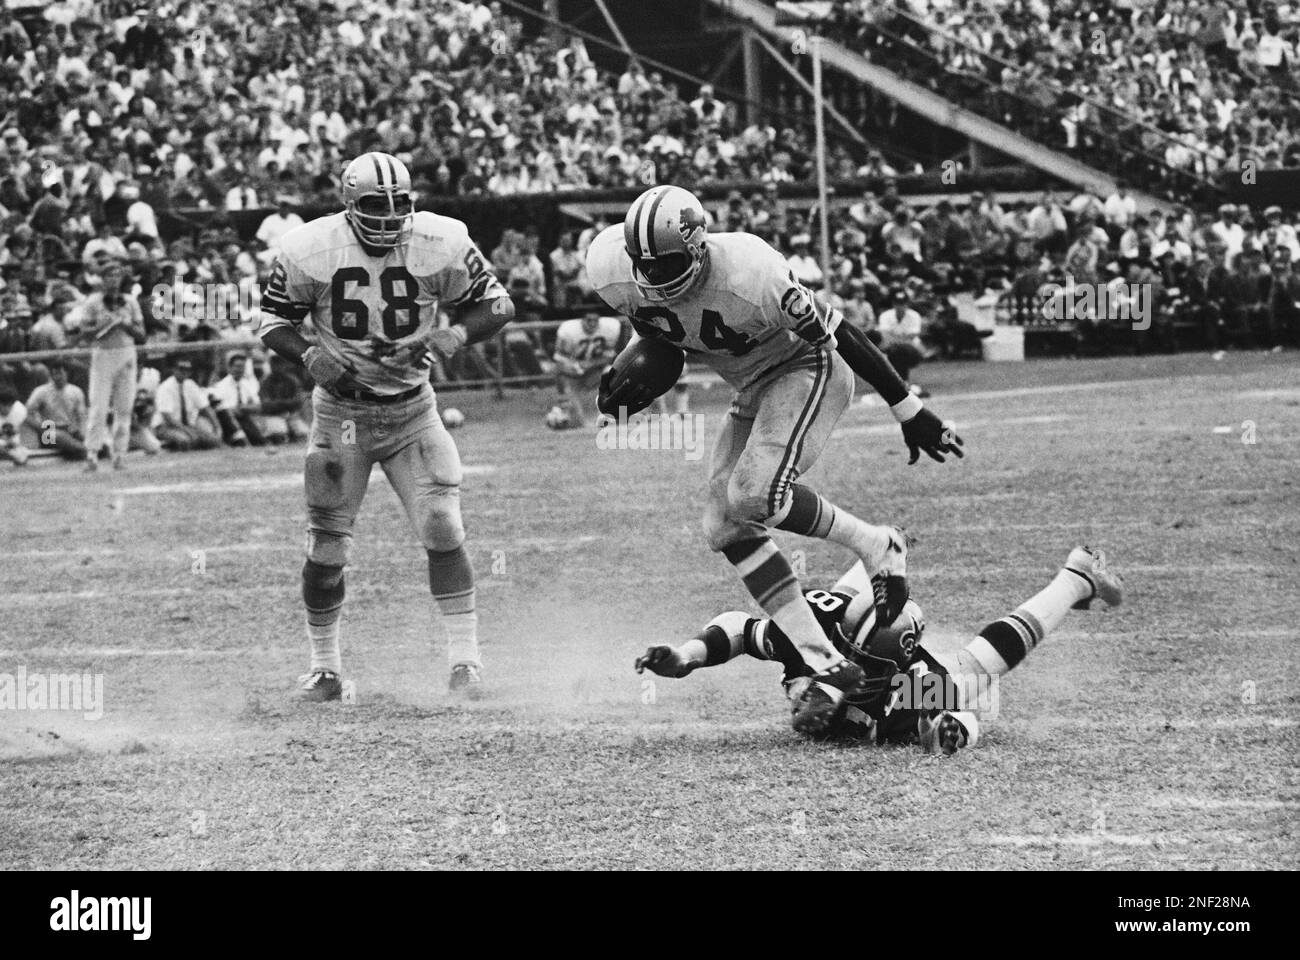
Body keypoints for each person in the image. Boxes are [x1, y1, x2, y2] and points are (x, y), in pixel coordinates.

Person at [587, 184, 963, 736]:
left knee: (754, 496)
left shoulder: (752, 271)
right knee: (722, 523)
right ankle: (816, 653)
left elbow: (844, 335)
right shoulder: (609, 267)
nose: (654, 273)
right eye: (644, 262)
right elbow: (660, 334)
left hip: (806, 369)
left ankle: (876, 545)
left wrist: (909, 409)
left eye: (667, 260)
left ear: (698, 245)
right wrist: (633, 371)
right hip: (750, 388)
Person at [257, 151, 514, 701]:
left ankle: (466, 662)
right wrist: (306, 355)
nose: (390, 216)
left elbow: (497, 304)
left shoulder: (441, 239)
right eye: (377, 205)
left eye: (401, 205)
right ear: (349, 204)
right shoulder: (310, 248)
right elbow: (272, 320)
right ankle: (324, 668)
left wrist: (457, 335)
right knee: (327, 548)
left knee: (443, 525)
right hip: (341, 414)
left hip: (410, 410)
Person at [637, 546, 1124, 753]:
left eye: (873, 666)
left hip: (898, 689)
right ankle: (1075, 578)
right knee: (885, 555)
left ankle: (1074, 579)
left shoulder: (907, 682)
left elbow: (955, 722)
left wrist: (951, 729)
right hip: (849, 620)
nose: (862, 667)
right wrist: (686, 658)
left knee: (972, 677)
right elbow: (738, 628)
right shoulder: (810, 627)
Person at [82, 261, 145, 471]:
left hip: (126, 352)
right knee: (98, 407)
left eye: (117, 275)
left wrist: (124, 324)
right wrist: (103, 325)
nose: (113, 279)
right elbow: (85, 333)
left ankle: (119, 454)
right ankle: (92, 453)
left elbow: (142, 335)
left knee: (124, 407)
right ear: (102, 278)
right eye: (109, 275)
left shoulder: (130, 302)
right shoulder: (94, 302)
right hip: (103, 354)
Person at [552, 311, 623, 428]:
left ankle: (614, 415)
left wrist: (589, 364)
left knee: (613, 374)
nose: (592, 324)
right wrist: (573, 367)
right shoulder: (568, 331)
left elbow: (609, 356)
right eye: (588, 320)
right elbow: (558, 359)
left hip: (595, 370)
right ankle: (570, 414)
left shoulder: (610, 327)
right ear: (582, 321)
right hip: (572, 371)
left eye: (595, 320)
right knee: (563, 379)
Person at [152, 357, 221, 450]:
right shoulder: (165, 387)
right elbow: (167, 417)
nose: (184, 372)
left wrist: (217, 427)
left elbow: (206, 408)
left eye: (187, 370)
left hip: (188, 425)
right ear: (174, 370)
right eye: (181, 369)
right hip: (166, 427)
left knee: (213, 440)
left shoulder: (191, 385)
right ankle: (168, 446)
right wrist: (187, 430)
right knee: (185, 441)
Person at [23, 361, 86, 460]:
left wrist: (82, 432)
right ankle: (84, 449)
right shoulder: (40, 392)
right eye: (55, 374)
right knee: (58, 436)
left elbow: (81, 417)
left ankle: (80, 448)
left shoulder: (76, 391)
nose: (58, 377)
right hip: (49, 433)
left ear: (67, 374)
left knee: (92, 436)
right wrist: (40, 428)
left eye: (60, 373)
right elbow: (25, 415)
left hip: (70, 431)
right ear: (51, 375)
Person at [209, 353, 267, 446]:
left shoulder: (247, 384)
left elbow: (257, 405)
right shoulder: (221, 386)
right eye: (237, 366)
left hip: (244, 416)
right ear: (230, 367)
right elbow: (220, 410)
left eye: (242, 367)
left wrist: (244, 408)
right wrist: (236, 409)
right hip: (229, 421)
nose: (240, 370)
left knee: (259, 440)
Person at [0, 384, 29, 465]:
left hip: (10, 444)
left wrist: (12, 443)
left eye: (9, 405)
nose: (6, 409)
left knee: (21, 457)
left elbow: (18, 434)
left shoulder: (20, 410)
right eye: (3, 405)